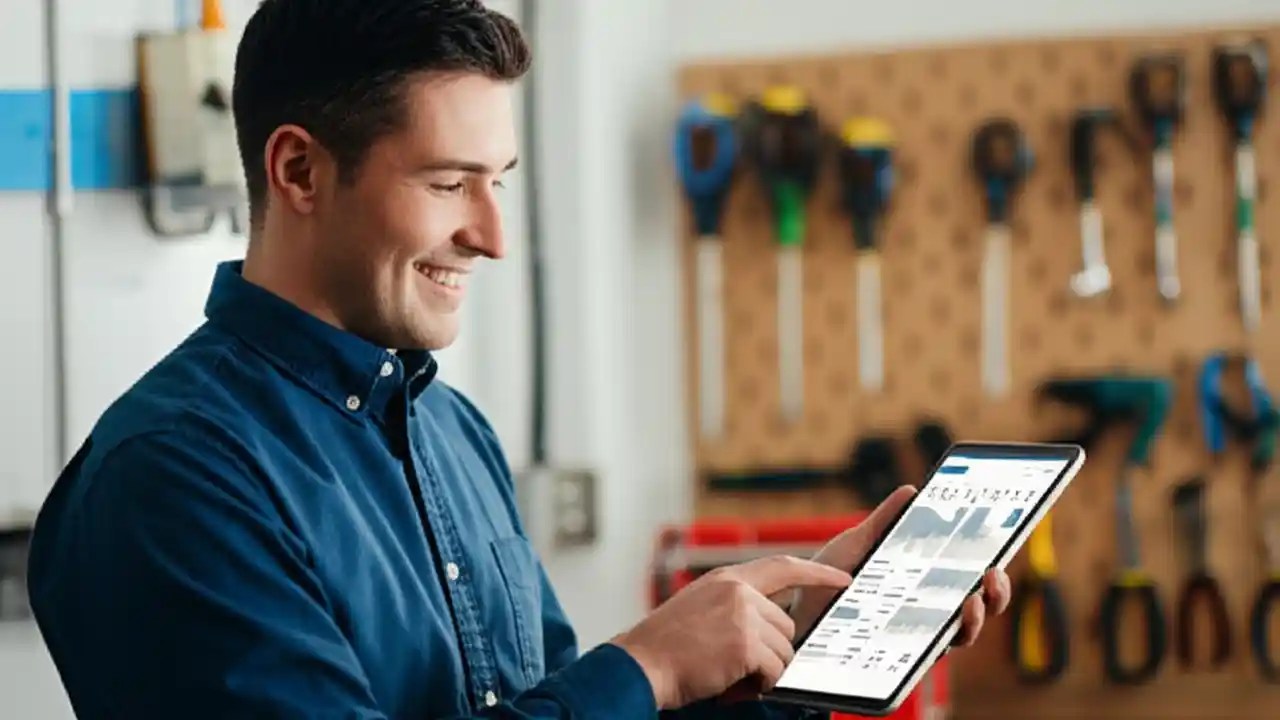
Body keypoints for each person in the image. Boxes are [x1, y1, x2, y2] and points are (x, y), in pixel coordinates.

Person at [25, 1, 1011, 718]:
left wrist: (794, 641)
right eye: (450, 183)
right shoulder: (173, 476)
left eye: (497, 181)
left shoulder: (450, 432)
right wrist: (643, 669)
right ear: (297, 171)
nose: (492, 236)